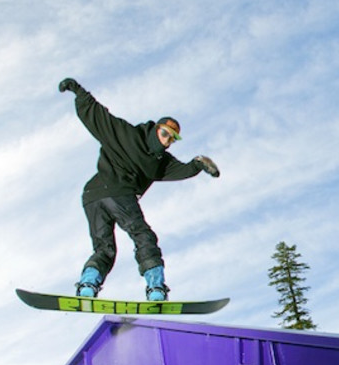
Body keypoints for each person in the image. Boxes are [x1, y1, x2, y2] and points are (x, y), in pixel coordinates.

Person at [58, 77, 220, 300]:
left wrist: (198, 165)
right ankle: (156, 287)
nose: (166, 141)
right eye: (164, 134)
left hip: (92, 196)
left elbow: (182, 170)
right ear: (156, 129)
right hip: (116, 193)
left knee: (104, 250)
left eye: (172, 139)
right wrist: (78, 91)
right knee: (143, 235)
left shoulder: (161, 161)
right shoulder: (128, 134)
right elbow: (100, 118)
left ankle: (87, 285)